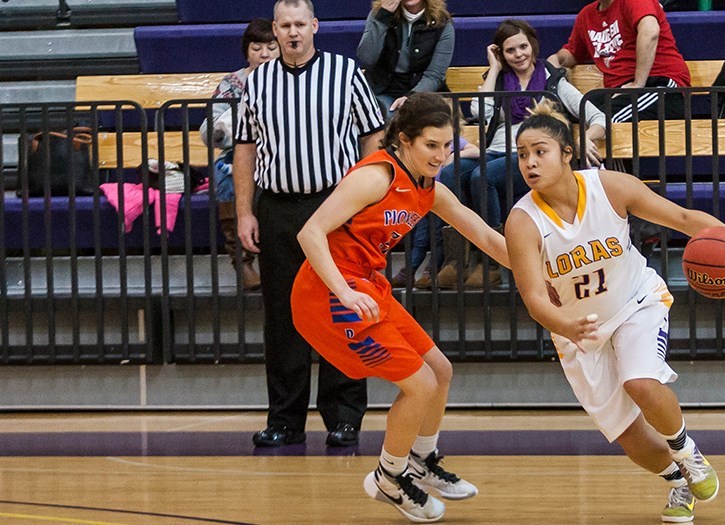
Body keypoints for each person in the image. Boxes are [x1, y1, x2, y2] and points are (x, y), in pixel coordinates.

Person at [504, 102, 725, 523]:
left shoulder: (610, 187)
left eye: (540, 150)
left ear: (568, 152)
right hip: (577, 330)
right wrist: (564, 322)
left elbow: (680, 217)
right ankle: (678, 483)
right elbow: (533, 297)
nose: (529, 162)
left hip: (635, 301)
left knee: (639, 380)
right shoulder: (522, 221)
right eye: (522, 154)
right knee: (629, 438)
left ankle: (687, 451)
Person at [291, 92, 508, 522]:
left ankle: (421, 460)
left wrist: (542, 272)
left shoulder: (430, 189)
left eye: (448, 146)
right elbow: (310, 232)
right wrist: (345, 293)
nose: (441, 156)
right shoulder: (376, 177)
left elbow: (484, 236)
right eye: (431, 145)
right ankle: (389, 478)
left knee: (440, 371)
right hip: (329, 293)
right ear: (404, 140)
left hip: (367, 287)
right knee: (420, 384)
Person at [234, 0, 384, 448]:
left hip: (335, 207)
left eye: (301, 24)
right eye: (285, 25)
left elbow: (373, 139)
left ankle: (344, 416)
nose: (294, 32)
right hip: (278, 208)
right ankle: (284, 419)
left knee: (342, 309)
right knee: (282, 316)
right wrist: (245, 211)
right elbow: (245, 148)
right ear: (274, 31)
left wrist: (367, 203)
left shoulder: (346, 74)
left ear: (315, 26)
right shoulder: (255, 84)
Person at [453, 19, 607, 288]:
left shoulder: (552, 81)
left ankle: (495, 260)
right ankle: (453, 260)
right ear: (502, 54)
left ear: (533, 46)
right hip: (495, 151)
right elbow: (480, 113)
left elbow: (598, 118)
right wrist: (493, 69)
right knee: (449, 174)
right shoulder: (500, 81)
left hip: (527, 155)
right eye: (510, 50)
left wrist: (583, 136)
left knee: (481, 177)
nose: (519, 54)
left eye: (523, 47)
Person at [199, 18, 278, 291]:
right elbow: (211, 127)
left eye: (271, 47)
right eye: (256, 48)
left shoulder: (289, 80)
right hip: (238, 154)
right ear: (247, 51)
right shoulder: (232, 82)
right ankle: (242, 261)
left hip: (278, 155)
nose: (264, 54)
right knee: (225, 174)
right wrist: (224, 131)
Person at [548, 0, 690, 123]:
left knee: (603, 122)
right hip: (618, 93)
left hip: (661, 86)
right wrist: (557, 59)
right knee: (565, 118)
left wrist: (637, 84)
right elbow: (573, 53)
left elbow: (650, 31)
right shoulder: (586, 15)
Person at [391, 135, 480, 289]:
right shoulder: (426, 141)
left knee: (438, 236)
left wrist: (453, 156)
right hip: (425, 195)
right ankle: (408, 271)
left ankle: (429, 272)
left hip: (440, 199)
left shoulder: (452, 139)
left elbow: (475, 151)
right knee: (421, 237)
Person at [356, 0, 455, 120]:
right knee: (390, 116)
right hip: (384, 88)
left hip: (423, 91)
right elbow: (367, 58)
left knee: (432, 120)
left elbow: (434, 75)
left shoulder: (442, 23)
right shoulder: (379, 14)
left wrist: (411, 98)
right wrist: (384, 16)